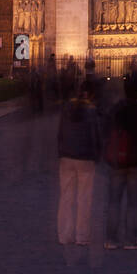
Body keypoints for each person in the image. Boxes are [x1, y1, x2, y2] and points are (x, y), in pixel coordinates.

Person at [104, 79, 137, 249]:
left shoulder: (116, 109)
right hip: (136, 161)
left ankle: (111, 240)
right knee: (133, 203)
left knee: (114, 201)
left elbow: (105, 130)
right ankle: (130, 240)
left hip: (117, 160)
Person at [56, 79, 102, 246]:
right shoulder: (91, 110)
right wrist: (97, 154)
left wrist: (61, 151)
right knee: (84, 198)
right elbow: (95, 135)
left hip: (67, 156)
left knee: (66, 197)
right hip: (85, 158)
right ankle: (82, 236)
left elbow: (60, 133)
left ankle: (64, 235)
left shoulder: (66, 108)